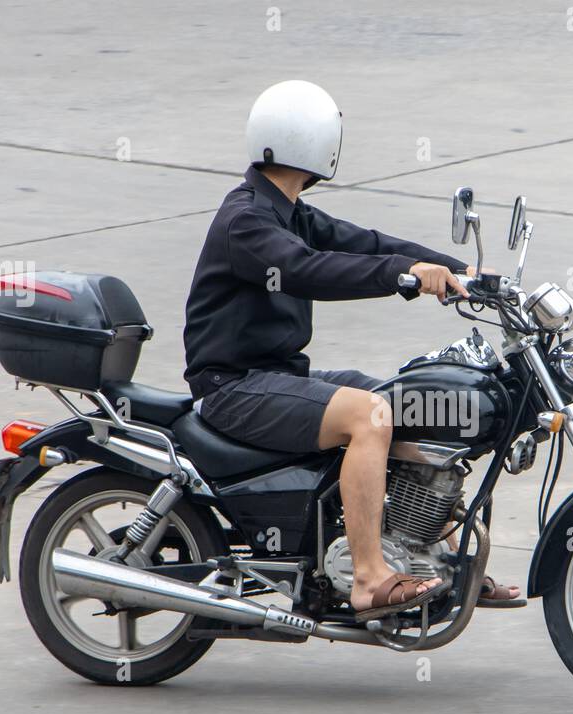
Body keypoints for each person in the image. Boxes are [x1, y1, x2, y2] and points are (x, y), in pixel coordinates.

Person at [184, 80, 522, 620]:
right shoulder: (246, 220)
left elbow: (367, 243)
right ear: (316, 142)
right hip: (235, 387)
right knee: (371, 416)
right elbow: (307, 270)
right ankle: (368, 578)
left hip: (278, 375)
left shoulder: (289, 211)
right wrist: (403, 275)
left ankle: (436, 556)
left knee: (409, 401)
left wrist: (462, 273)